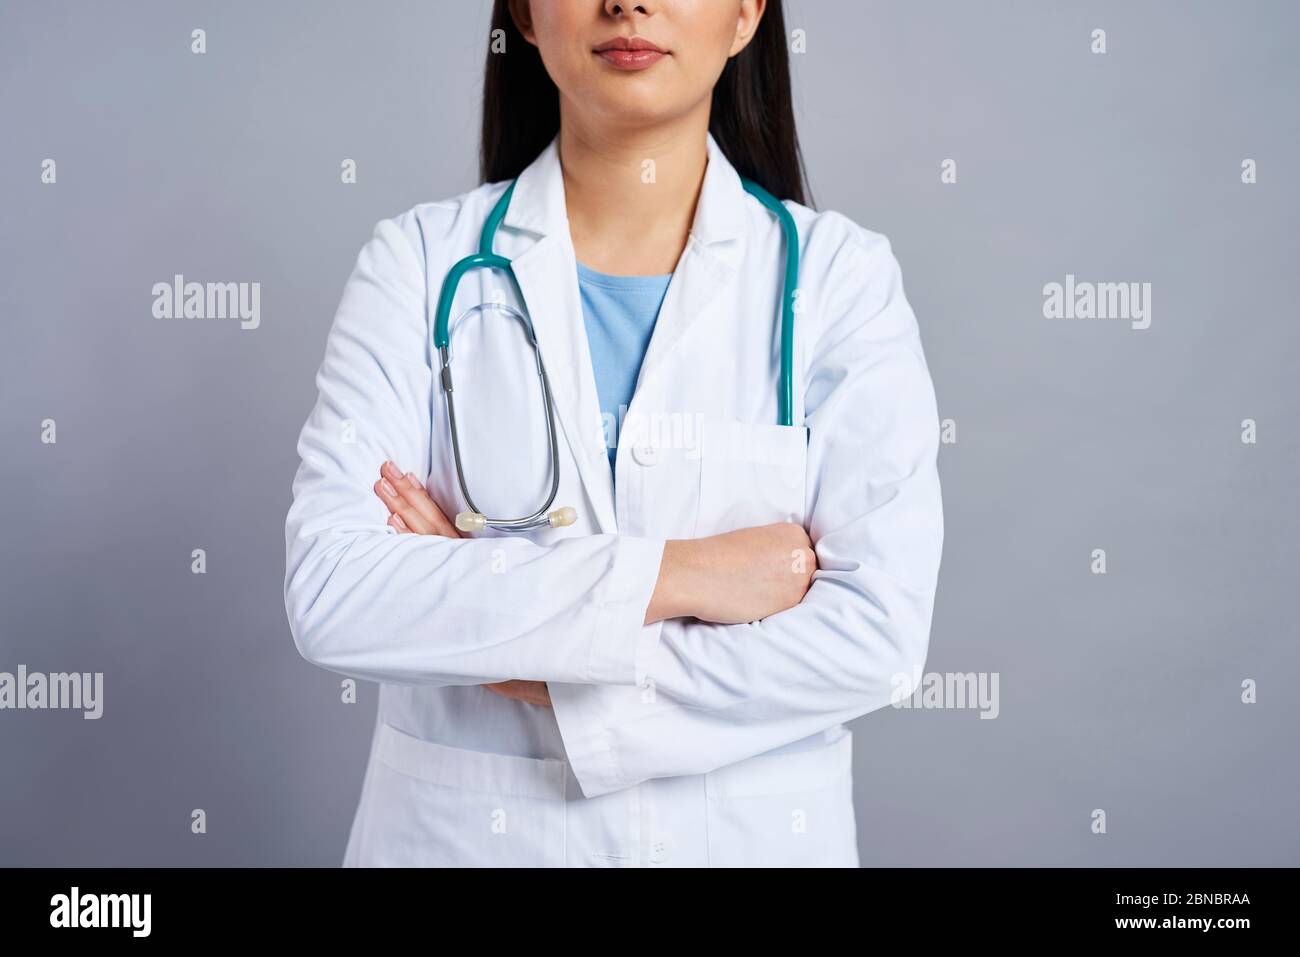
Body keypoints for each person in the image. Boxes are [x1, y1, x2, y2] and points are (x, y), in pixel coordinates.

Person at [284, 0, 943, 867]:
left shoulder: (839, 280)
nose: (626, 3)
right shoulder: (418, 264)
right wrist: (687, 573)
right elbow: (338, 598)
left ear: (748, 12)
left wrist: (516, 662)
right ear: (523, 14)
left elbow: (875, 643)